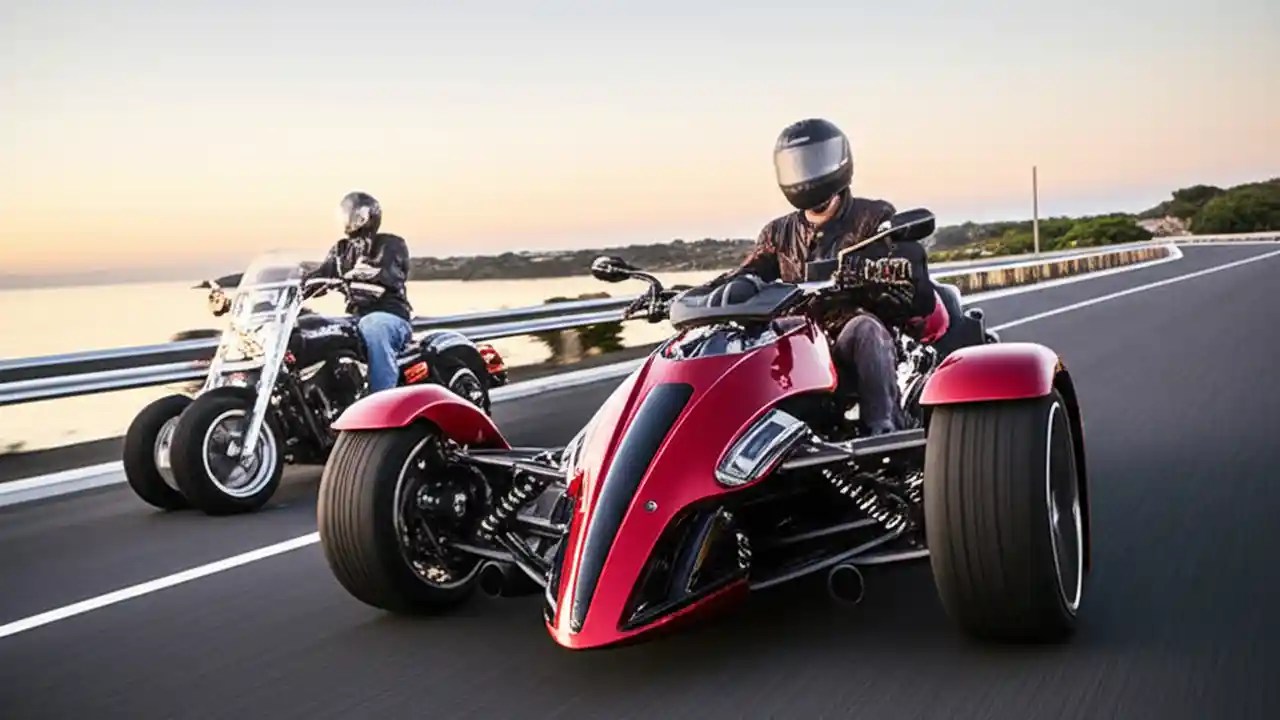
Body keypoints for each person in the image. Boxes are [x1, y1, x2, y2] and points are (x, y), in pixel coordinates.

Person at [714, 118, 937, 435]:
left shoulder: (873, 217)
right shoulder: (777, 232)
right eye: (797, 165)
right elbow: (751, 269)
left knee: (865, 330)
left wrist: (871, 272)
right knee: (742, 343)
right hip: (798, 333)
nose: (806, 173)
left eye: (815, 161)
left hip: (850, 328)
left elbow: (897, 262)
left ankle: (885, 430)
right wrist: (725, 288)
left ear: (839, 161)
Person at [301, 191, 415, 393]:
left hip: (390, 316)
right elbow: (322, 273)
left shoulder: (390, 244)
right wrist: (295, 285)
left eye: (352, 214)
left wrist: (355, 280)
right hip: (356, 317)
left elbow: (386, 273)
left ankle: (382, 398)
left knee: (373, 327)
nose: (348, 219)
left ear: (365, 215)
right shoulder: (341, 249)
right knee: (315, 329)